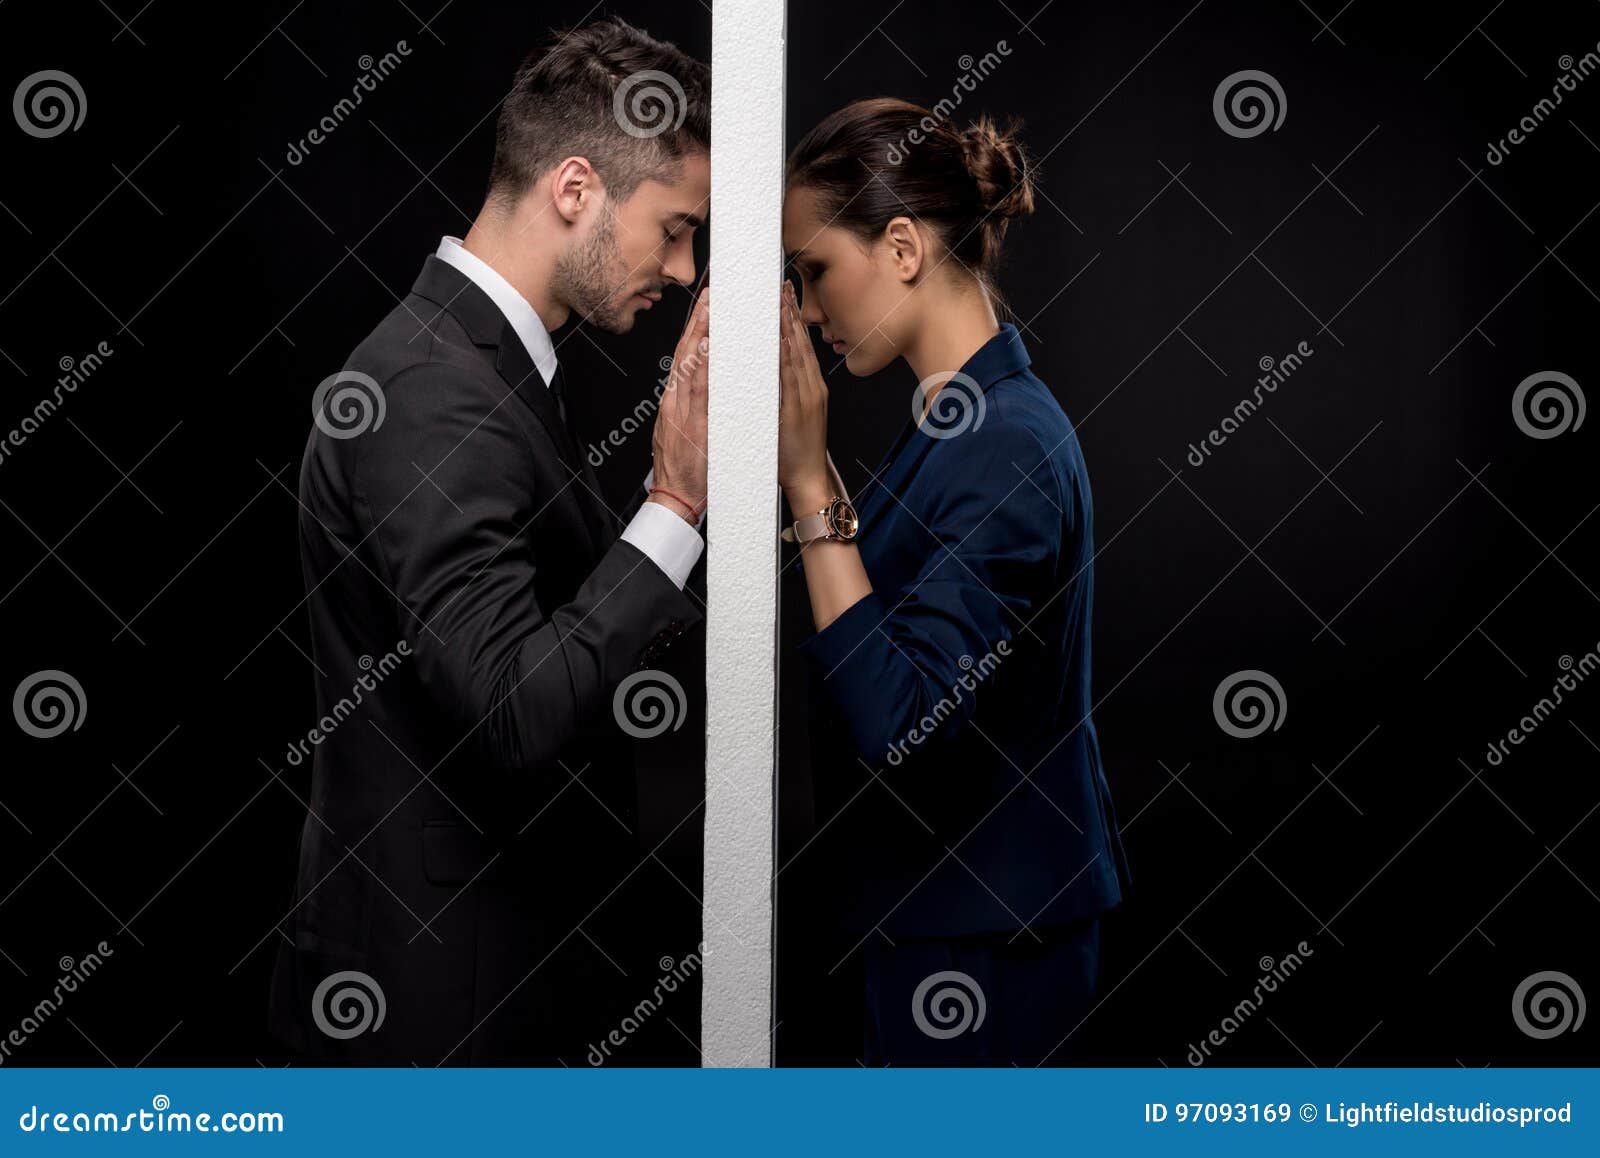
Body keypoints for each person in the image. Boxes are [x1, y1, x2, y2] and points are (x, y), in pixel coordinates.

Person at [267, 17, 710, 1065]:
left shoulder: (485, 368)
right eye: (676, 228)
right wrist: (676, 502)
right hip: (434, 1005)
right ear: (575, 189)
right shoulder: (434, 391)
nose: (684, 268)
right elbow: (513, 708)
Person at [777, 97, 1133, 1065]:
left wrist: (809, 489)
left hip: (985, 948)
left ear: (902, 247)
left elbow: (905, 721)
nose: (808, 310)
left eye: (815, 271)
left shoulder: (1002, 440)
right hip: (948, 925)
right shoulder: (959, 427)